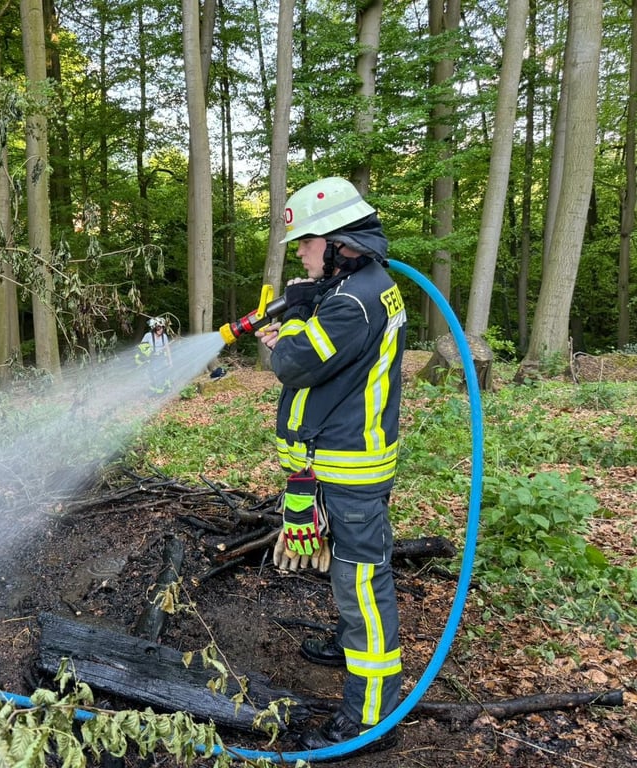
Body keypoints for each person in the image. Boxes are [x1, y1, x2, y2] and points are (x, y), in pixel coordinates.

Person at [256, 177, 406, 753]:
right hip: (339, 462)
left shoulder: (352, 301)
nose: (299, 251)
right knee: (350, 579)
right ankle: (350, 648)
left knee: (360, 583)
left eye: (306, 241)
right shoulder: (360, 286)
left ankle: (370, 718)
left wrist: (293, 316)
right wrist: (308, 298)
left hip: (349, 472)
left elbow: (294, 362)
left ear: (340, 242)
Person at [135, 316, 173, 393]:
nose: (160, 330)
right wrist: (149, 353)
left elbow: (167, 349)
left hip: (161, 358)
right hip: (151, 359)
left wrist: (170, 361)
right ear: (154, 328)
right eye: (158, 328)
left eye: (162, 328)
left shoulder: (164, 336)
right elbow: (142, 347)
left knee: (164, 375)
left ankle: (164, 390)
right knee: (153, 375)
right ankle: (154, 391)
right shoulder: (148, 335)